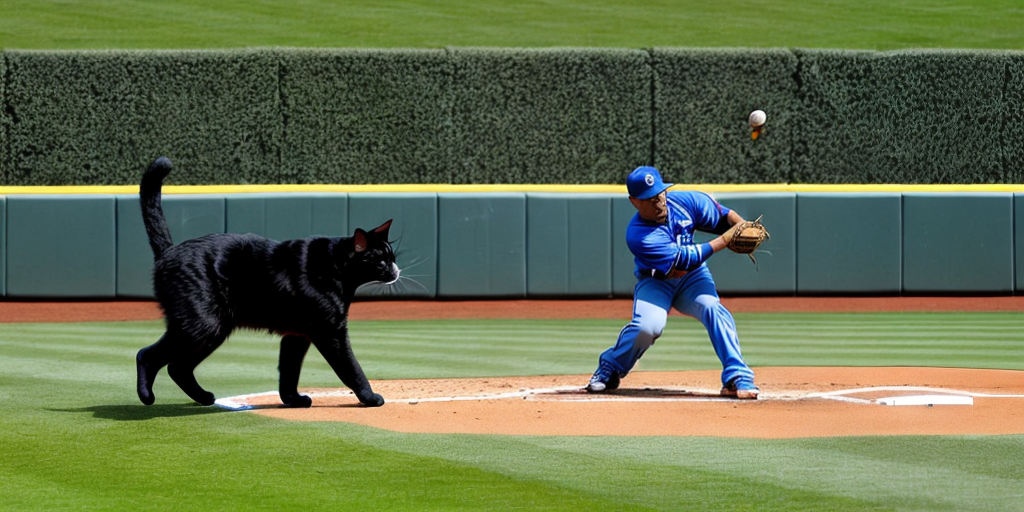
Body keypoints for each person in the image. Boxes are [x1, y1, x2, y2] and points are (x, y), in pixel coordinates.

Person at [586, 166, 759, 399]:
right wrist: (727, 239)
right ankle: (610, 366)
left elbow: (724, 216)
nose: (658, 202)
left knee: (713, 308)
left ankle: (737, 376)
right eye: (649, 199)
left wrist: (742, 225)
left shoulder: (683, 201)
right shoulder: (638, 234)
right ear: (634, 201)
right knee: (648, 328)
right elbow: (684, 259)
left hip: (694, 279)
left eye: (660, 194)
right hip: (656, 282)